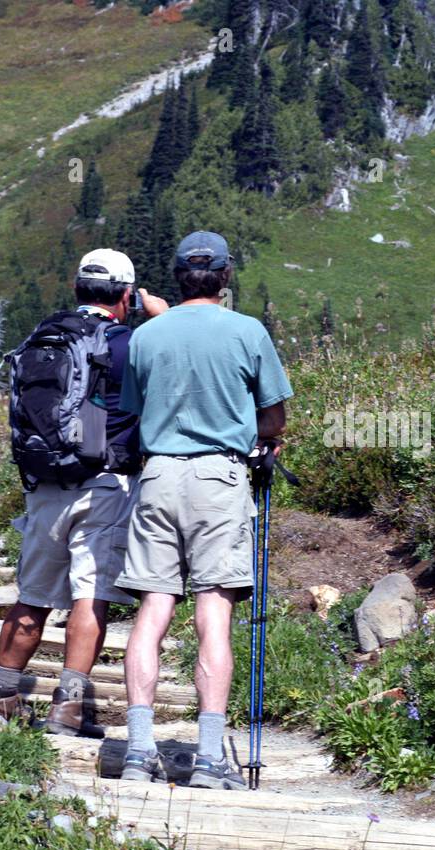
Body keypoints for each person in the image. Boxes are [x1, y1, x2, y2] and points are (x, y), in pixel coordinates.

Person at [116, 231, 293, 789]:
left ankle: (139, 752)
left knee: (152, 612)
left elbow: (131, 410)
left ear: (176, 276)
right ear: (225, 275)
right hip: (221, 476)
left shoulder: (146, 336)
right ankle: (210, 758)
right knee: (213, 615)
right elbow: (274, 417)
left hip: (158, 475)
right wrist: (262, 442)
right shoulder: (248, 331)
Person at [0, 250, 167, 736]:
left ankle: (0, 698)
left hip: (45, 485)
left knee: (34, 594)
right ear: (127, 295)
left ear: (77, 289)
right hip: (106, 483)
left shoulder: (46, 335)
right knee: (91, 594)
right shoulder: (132, 343)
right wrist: (159, 319)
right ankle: (67, 708)